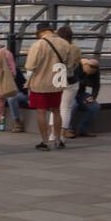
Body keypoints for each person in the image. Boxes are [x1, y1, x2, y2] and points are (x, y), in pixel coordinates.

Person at [25, 21, 78, 150]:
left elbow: (30, 67)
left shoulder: (38, 45)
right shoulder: (65, 44)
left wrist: (28, 81)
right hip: (57, 82)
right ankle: (58, 139)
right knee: (56, 110)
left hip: (40, 84)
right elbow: (70, 66)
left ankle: (45, 141)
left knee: (41, 111)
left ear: (39, 32)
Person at [56, 26, 83, 140]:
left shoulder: (58, 46)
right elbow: (76, 64)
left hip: (56, 79)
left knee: (55, 107)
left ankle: (53, 134)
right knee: (65, 108)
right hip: (71, 80)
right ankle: (62, 134)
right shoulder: (75, 48)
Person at [71, 58, 101, 137]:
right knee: (73, 105)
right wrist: (85, 76)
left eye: (93, 72)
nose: (92, 73)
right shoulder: (77, 67)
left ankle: (82, 129)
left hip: (81, 93)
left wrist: (93, 97)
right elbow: (74, 83)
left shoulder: (96, 71)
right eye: (90, 71)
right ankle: (68, 129)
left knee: (95, 107)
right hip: (71, 93)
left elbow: (96, 85)